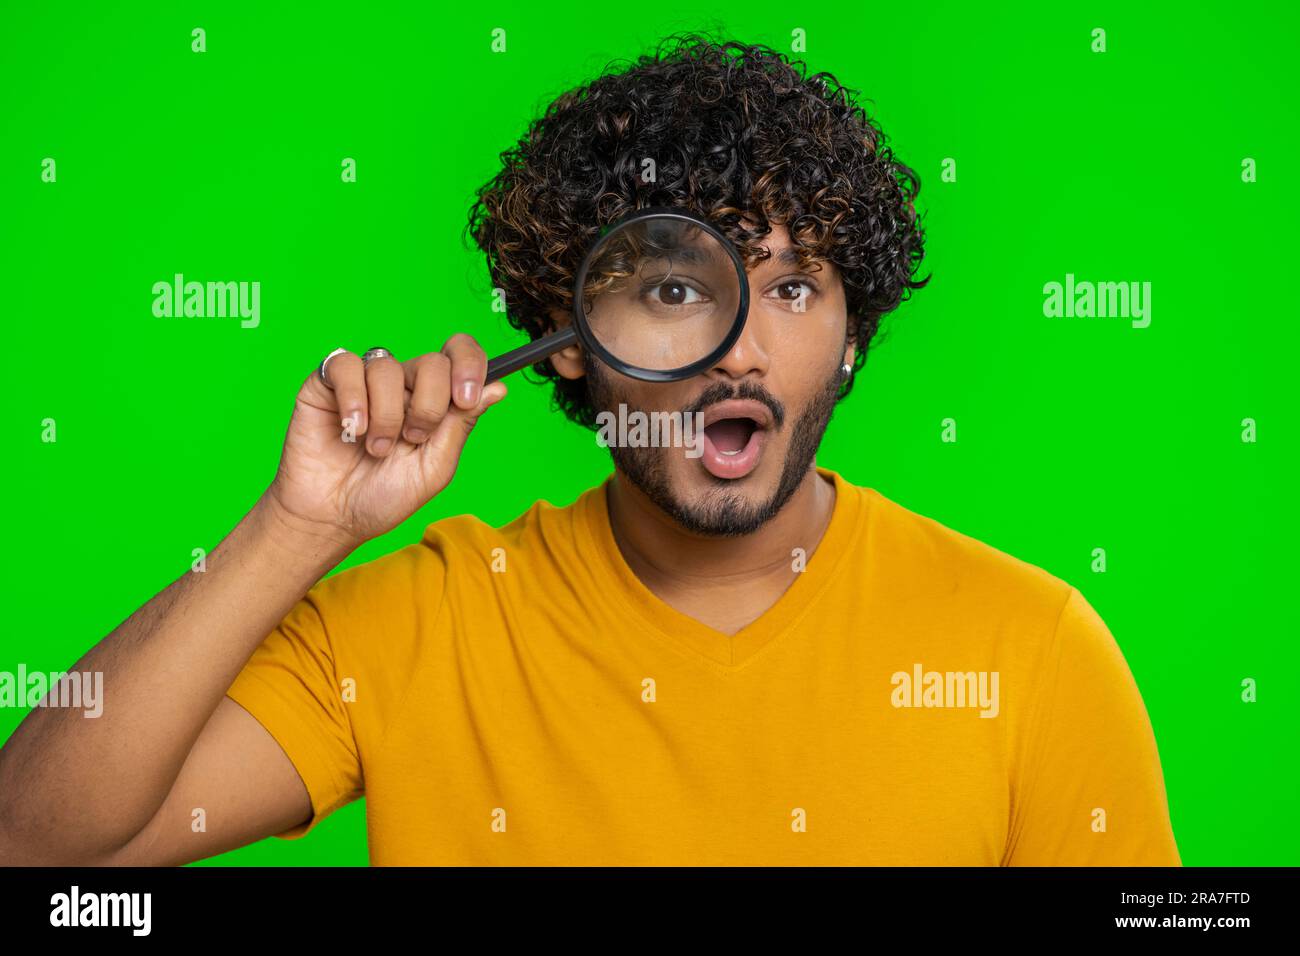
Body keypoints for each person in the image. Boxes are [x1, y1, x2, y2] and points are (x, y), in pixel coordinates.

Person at [0, 34, 1179, 866]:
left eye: (794, 286)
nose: (743, 354)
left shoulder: (1030, 650)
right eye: (677, 284)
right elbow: (36, 843)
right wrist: (298, 528)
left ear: (854, 335)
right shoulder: (426, 621)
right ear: (563, 338)